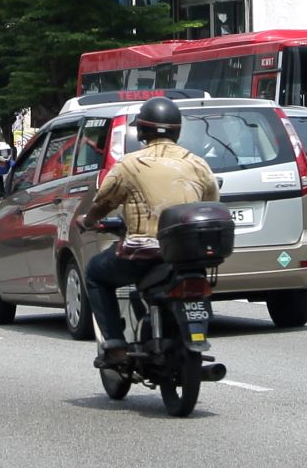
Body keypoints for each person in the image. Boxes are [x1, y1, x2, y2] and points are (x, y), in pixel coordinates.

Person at [74, 97, 219, 366]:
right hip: (189, 254)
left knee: (95, 273)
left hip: (144, 252)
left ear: (142, 131)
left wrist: (89, 220)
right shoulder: (198, 164)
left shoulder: (130, 164)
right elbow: (211, 203)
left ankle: (115, 344)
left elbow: (104, 202)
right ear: (177, 130)